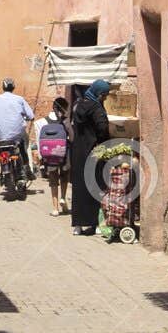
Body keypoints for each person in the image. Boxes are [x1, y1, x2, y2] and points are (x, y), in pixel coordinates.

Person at [70, 80, 112, 234]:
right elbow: (102, 129)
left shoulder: (78, 105)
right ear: (99, 94)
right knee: (95, 185)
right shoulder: (96, 108)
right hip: (95, 151)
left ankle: (78, 226)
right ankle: (95, 223)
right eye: (104, 95)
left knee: (79, 186)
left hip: (78, 152)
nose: (105, 98)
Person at [0, 78, 34, 180]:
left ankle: (4, 169)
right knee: (23, 143)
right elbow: (30, 115)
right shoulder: (19, 99)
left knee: (2, 149)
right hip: (16, 136)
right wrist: (27, 118)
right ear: (13, 87)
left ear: (3, 87)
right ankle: (26, 167)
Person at [36, 96, 71, 216]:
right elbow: (72, 137)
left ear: (53, 107)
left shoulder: (43, 121)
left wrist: (41, 158)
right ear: (65, 108)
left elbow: (39, 140)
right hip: (64, 153)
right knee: (64, 177)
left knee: (53, 180)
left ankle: (55, 208)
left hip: (50, 156)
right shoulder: (66, 120)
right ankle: (63, 198)